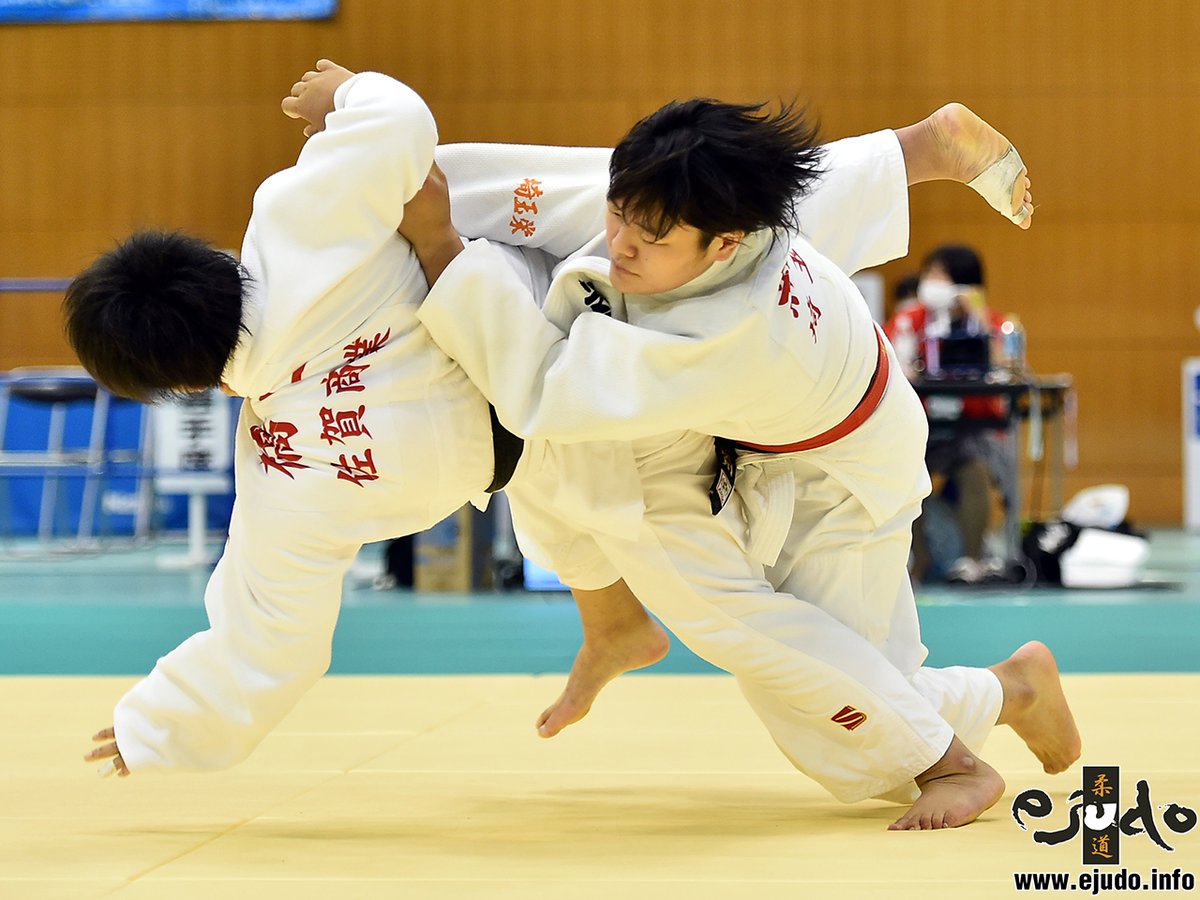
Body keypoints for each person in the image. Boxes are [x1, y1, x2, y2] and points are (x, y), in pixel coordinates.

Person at [405, 98, 1078, 830]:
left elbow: (546, 390)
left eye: (650, 235)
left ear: (725, 246)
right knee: (838, 685)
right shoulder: (691, 196)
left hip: (841, 479)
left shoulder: (738, 332)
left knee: (806, 701)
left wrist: (442, 249)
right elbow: (515, 185)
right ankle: (1009, 693)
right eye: (618, 213)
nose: (622, 243)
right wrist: (374, 139)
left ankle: (956, 756)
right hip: (797, 421)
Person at [885, 244, 1011, 584]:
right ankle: (917, 563)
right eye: (929, 274)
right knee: (905, 479)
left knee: (976, 473)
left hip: (969, 429)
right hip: (918, 430)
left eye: (941, 276)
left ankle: (972, 562)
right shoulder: (910, 319)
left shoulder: (990, 322)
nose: (931, 283)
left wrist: (979, 317)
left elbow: (1005, 366)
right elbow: (889, 362)